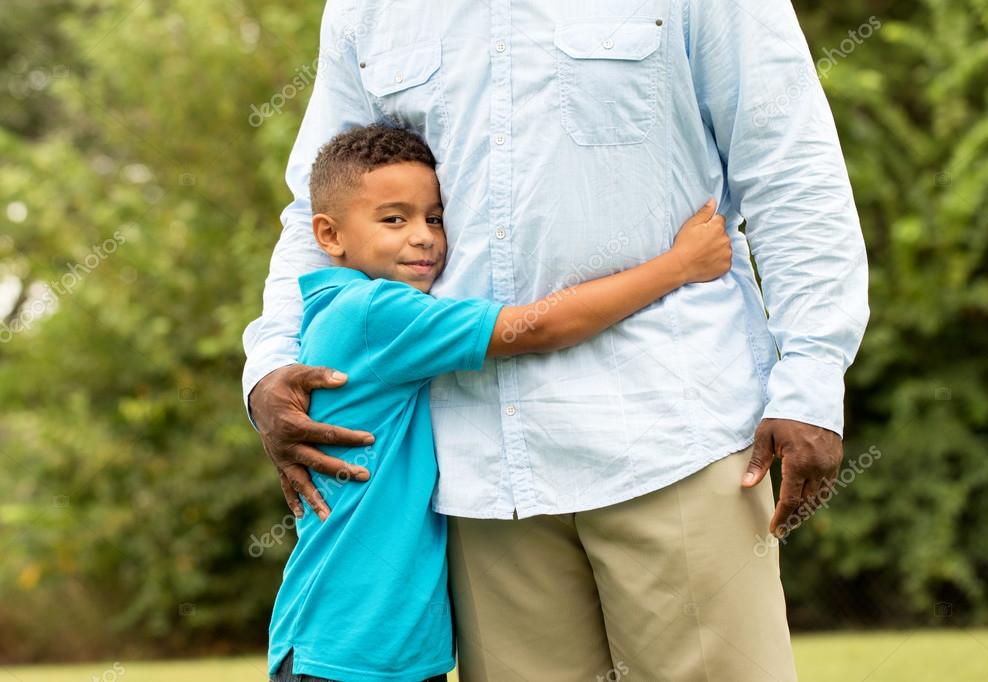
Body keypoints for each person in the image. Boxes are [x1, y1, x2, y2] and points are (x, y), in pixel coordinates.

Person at [244, 1, 869, 679]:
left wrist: (810, 379)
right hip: (478, 473)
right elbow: (319, 208)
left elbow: (791, 170)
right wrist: (271, 368)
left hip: (674, 432)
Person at [266, 123, 731, 682]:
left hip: (388, 649)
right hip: (346, 647)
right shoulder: (373, 312)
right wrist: (679, 265)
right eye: (394, 219)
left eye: (433, 218)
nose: (423, 237)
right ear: (329, 234)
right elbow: (538, 327)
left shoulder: (344, 309)